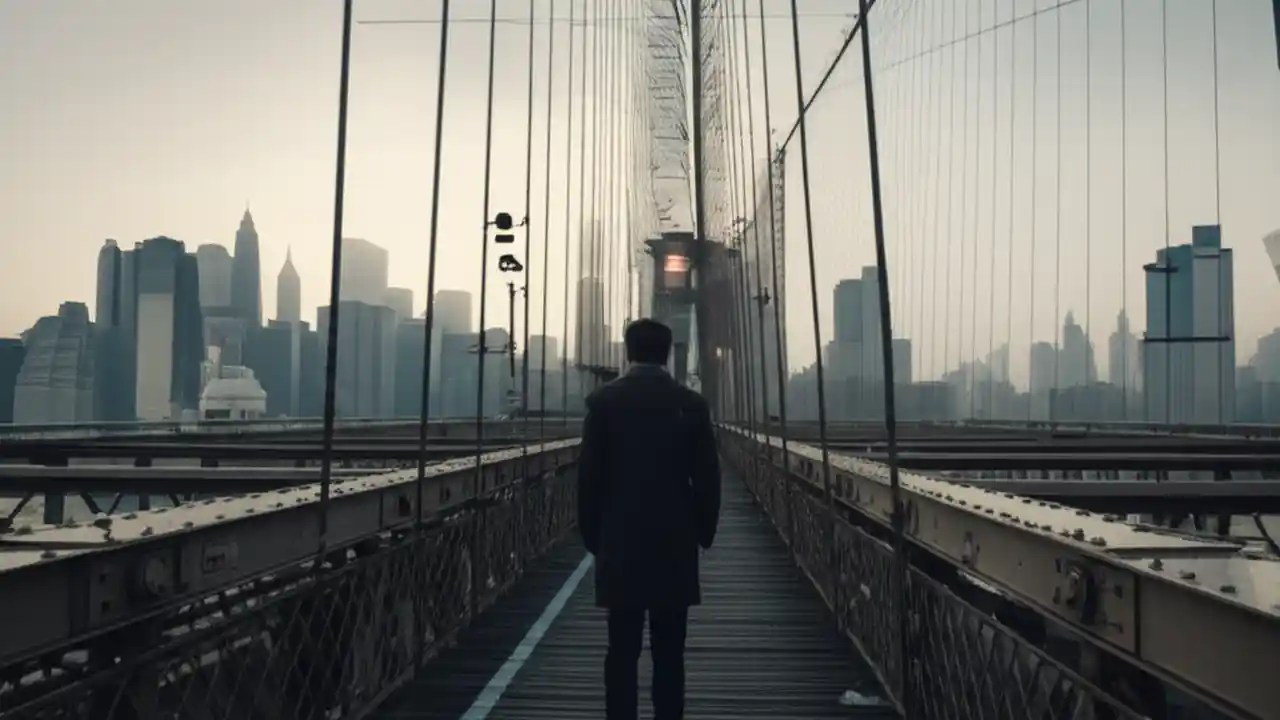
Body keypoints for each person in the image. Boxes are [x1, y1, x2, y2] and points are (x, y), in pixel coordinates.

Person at [577, 318, 722, 720]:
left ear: (628, 352)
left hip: (620, 543)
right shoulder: (690, 405)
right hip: (673, 545)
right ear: (667, 352)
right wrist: (702, 532)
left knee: (621, 650)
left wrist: (595, 538)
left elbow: (588, 478)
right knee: (670, 652)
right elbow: (708, 477)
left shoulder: (603, 403)